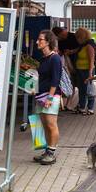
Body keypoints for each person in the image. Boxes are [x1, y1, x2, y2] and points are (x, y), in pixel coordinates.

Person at [33, 30, 65, 165]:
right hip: (41, 95)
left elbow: (55, 80)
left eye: (40, 40)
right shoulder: (44, 58)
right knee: (44, 125)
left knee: (51, 124)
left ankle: (51, 153)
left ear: (48, 42)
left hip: (50, 96)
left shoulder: (55, 58)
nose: (37, 42)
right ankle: (47, 150)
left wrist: (50, 98)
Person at [72, 26, 96, 115]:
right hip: (80, 70)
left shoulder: (89, 46)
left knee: (88, 90)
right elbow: (75, 51)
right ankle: (82, 106)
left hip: (86, 70)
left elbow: (92, 60)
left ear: (82, 37)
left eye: (78, 37)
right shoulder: (82, 45)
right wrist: (69, 51)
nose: (77, 39)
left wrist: (90, 73)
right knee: (81, 89)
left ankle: (88, 108)